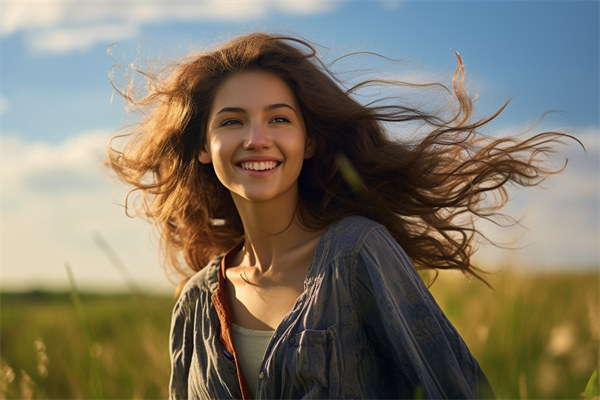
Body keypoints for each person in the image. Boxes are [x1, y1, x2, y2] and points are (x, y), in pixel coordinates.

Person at [108, 32, 575, 399]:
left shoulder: (356, 253)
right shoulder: (194, 304)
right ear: (204, 149)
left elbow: (456, 389)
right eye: (232, 121)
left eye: (279, 119)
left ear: (308, 142)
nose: (256, 138)